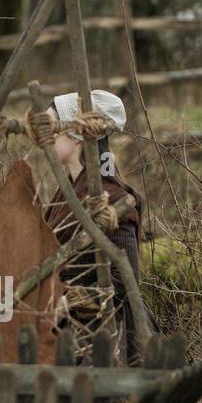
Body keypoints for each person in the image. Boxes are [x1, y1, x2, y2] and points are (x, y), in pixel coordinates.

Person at [40, 89, 149, 365]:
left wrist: (67, 303)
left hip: (100, 344)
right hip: (62, 337)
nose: (45, 139)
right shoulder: (67, 191)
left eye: (52, 129)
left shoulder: (109, 200)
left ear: (77, 136)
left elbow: (125, 284)